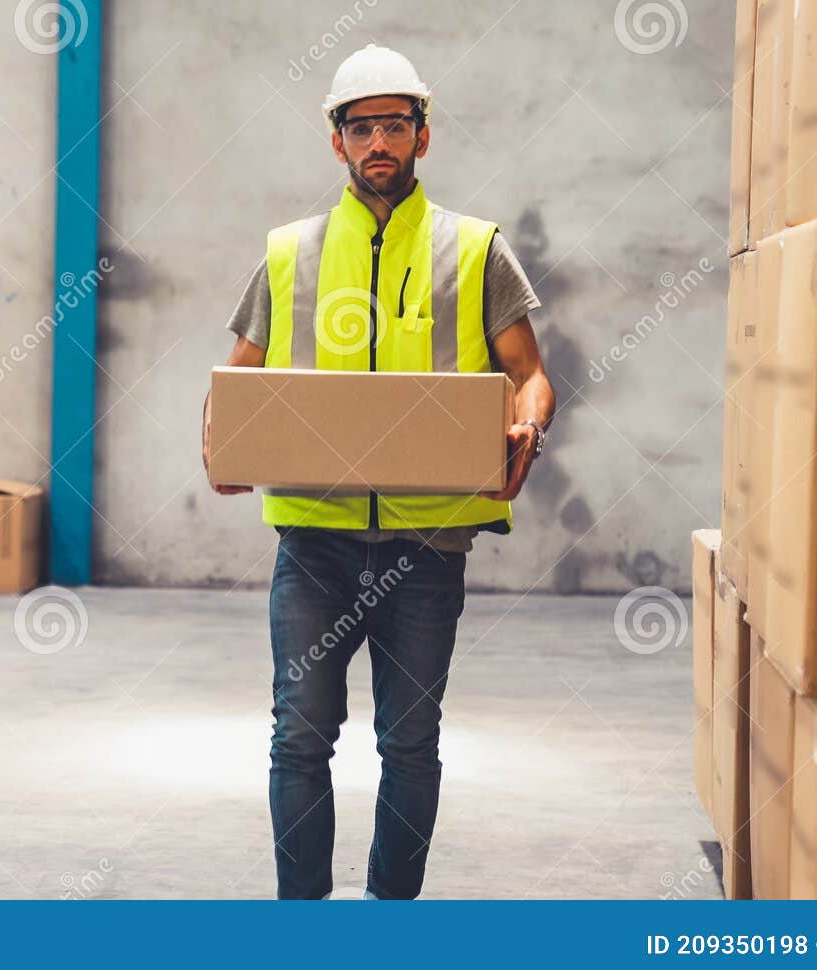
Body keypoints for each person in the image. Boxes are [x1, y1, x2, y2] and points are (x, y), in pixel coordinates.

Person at [201, 44, 556, 899]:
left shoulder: (476, 250)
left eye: (395, 124)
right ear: (338, 144)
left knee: (408, 743)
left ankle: (390, 922)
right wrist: (220, 442)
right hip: (315, 544)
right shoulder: (289, 252)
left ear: (423, 137)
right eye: (362, 128)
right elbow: (235, 377)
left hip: (428, 544)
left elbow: (530, 374)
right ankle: (304, 922)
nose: (379, 143)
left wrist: (528, 425)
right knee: (299, 737)